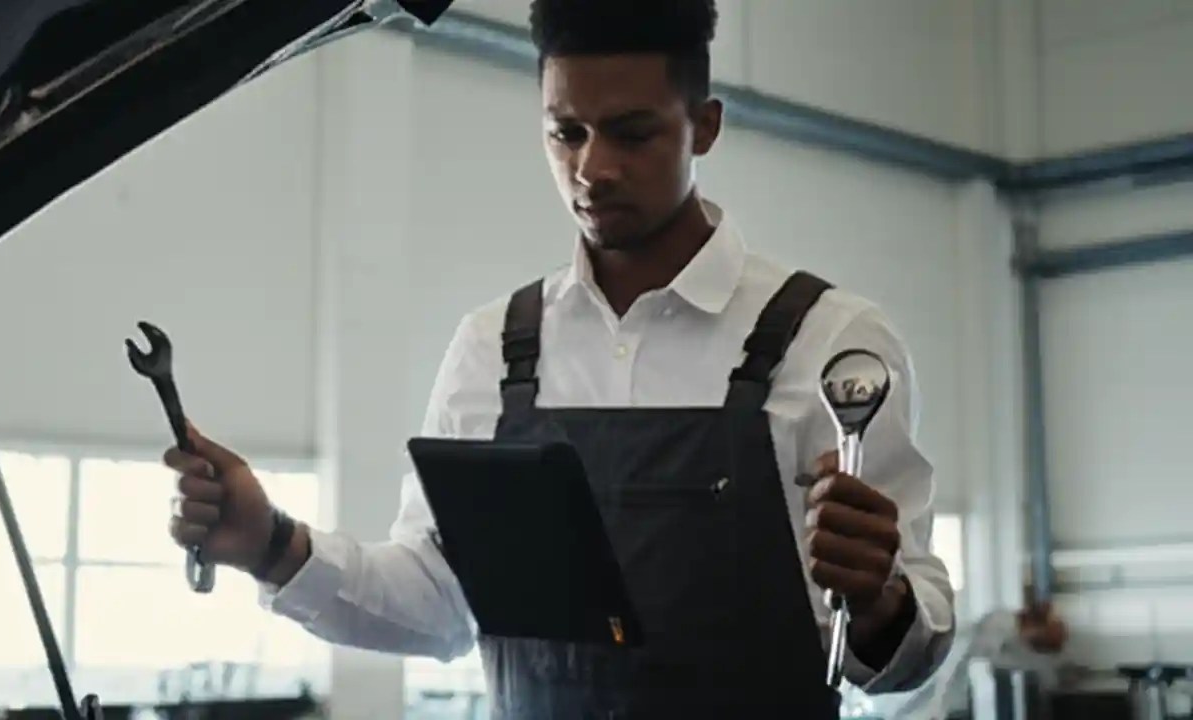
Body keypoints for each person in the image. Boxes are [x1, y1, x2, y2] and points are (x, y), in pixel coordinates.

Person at [163, 0, 956, 715]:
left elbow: (912, 649)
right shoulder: (492, 351)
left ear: (704, 126)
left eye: (632, 133)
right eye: (565, 133)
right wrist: (271, 543)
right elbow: (442, 606)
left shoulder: (829, 342)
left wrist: (882, 601)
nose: (592, 169)